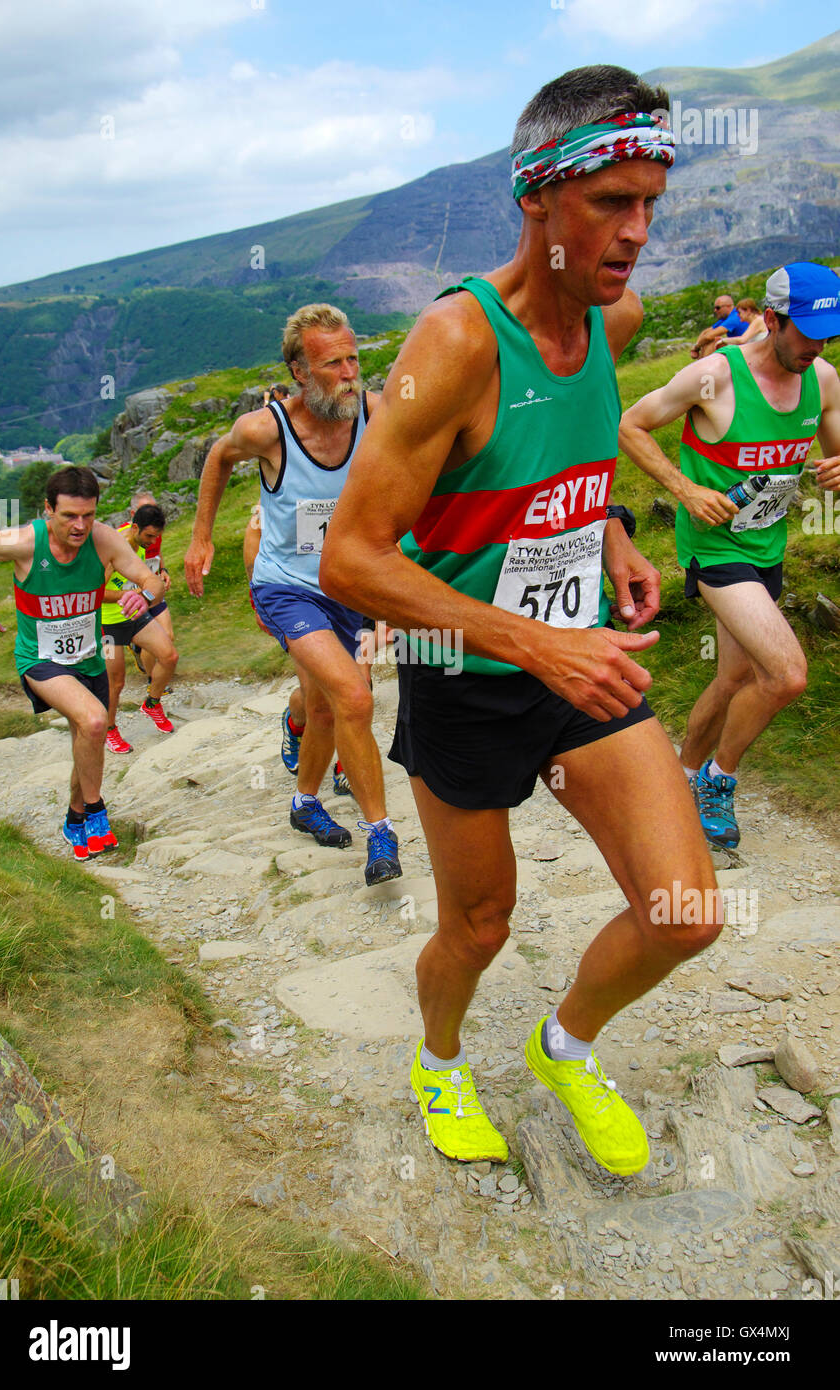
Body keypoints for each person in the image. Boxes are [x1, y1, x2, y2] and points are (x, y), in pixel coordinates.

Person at [321, 65, 721, 1175]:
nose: (638, 233)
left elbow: (567, 470)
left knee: (687, 910)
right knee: (480, 924)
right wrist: (537, 640)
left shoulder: (617, 316)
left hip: (580, 662)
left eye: (652, 203)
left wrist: (615, 538)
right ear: (537, 197)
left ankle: (564, 1043)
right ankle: (441, 1059)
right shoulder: (455, 344)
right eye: (611, 204)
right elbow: (350, 555)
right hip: (469, 669)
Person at [619, 261, 840, 848]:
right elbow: (632, 425)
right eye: (809, 334)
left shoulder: (824, 379)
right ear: (772, 320)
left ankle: (680, 776)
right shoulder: (714, 376)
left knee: (737, 675)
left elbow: (836, 454)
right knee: (788, 674)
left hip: (768, 545)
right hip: (716, 547)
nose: (817, 348)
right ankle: (721, 779)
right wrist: (686, 490)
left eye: (830, 335)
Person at [184, 303, 401, 886]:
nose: (351, 374)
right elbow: (218, 458)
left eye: (355, 359)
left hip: (351, 584)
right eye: (333, 364)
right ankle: (382, 834)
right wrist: (201, 537)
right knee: (354, 698)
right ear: (299, 372)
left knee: (330, 704)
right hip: (288, 587)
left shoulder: (372, 413)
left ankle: (304, 801)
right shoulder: (267, 429)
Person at [0, 466, 166, 858]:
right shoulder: (26, 541)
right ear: (48, 509)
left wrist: (144, 595)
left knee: (89, 734)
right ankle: (98, 811)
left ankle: (75, 815)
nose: (80, 526)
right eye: (69, 516)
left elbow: (151, 579)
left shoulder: (105, 541)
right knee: (96, 719)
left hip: (87, 658)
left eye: (88, 515)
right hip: (40, 659)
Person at [241, 508, 350, 792]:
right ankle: (295, 722)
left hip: (348, 594)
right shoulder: (272, 502)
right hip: (299, 602)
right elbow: (253, 550)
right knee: (316, 690)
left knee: (357, 684)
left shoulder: (352, 480)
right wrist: (258, 603)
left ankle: (345, 764)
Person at [103, 503, 179, 752]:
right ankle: (109, 730)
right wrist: (132, 594)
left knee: (169, 655)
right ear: (134, 527)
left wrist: (158, 577)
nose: (153, 541)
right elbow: (96, 593)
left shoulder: (143, 540)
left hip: (134, 615)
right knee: (115, 683)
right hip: (106, 623)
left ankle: (152, 703)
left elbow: (151, 568)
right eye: (149, 536)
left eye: (157, 537)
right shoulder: (114, 548)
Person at [123, 490, 174, 686]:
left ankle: (149, 665)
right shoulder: (122, 540)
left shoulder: (154, 531)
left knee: (168, 636)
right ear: (133, 515)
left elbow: (157, 554)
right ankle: (154, 682)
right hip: (135, 595)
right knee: (152, 642)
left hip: (154, 592)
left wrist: (164, 571)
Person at [690, 292, 747, 360]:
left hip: (746, 349)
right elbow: (706, 332)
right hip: (739, 347)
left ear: (728, 306)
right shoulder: (726, 318)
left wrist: (696, 347)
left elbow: (709, 336)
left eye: (718, 308)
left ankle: (702, 365)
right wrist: (696, 347)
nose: (715, 310)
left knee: (715, 341)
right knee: (709, 340)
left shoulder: (735, 317)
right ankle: (701, 364)